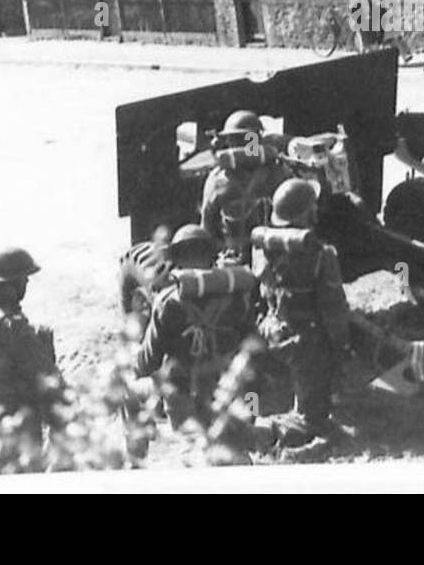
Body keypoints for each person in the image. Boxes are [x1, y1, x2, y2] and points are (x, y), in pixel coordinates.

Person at [251, 178, 351, 448]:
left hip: (271, 332)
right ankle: (270, 432)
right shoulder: (322, 254)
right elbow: (334, 311)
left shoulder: (262, 246)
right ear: (308, 213)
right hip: (304, 342)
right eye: (313, 207)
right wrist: (342, 347)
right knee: (314, 417)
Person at [134, 226, 257, 429]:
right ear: (211, 256)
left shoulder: (168, 302)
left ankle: (137, 453)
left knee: (128, 391)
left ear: (177, 258)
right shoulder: (236, 295)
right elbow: (254, 348)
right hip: (232, 398)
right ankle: (251, 422)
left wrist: (133, 370)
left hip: (184, 407)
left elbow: (149, 361)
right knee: (253, 382)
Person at [0, 247, 65, 442]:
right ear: (13, 285)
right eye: (23, 278)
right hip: (16, 437)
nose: (27, 282)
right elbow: (54, 389)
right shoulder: (16, 331)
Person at [200, 110, 290, 265]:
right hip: (273, 257)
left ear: (229, 140)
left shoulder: (217, 179)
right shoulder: (278, 171)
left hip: (238, 259)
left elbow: (208, 227)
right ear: (258, 138)